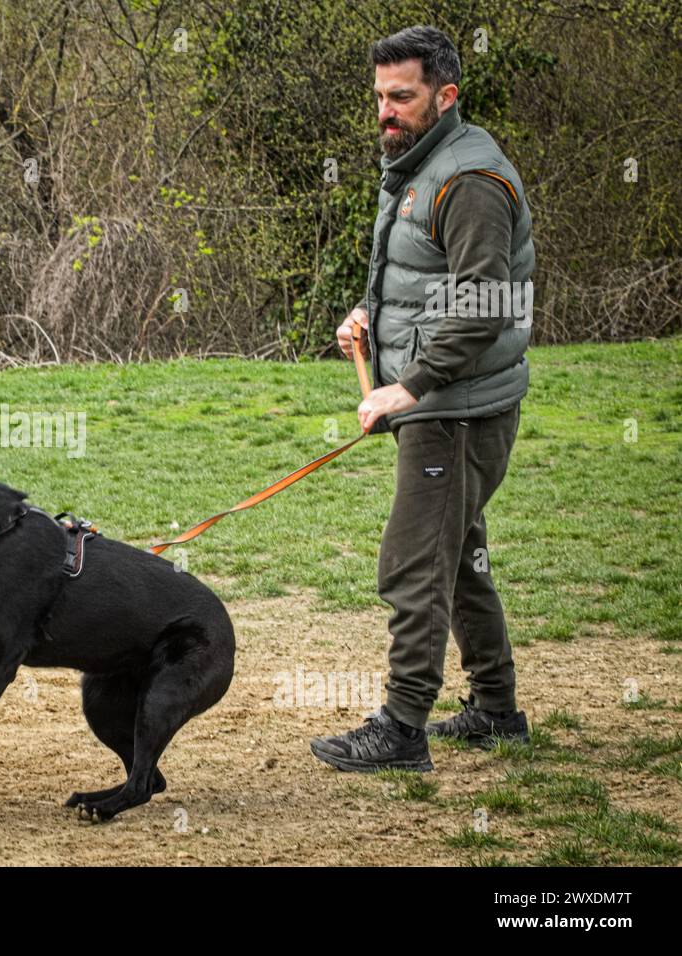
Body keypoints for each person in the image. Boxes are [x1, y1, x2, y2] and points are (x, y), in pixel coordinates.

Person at [311, 26, 533, 772]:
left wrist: (408, 385)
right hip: (442, 401)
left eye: (401, 97)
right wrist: (371, 319)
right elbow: (427, 281)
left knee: (413, 566)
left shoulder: (468, 179)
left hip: (458, 411)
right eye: (379, 97)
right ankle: (497, 711)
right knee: (458, 557)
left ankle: (402, 730)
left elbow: (483, 306)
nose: (385, 111)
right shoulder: (422, 162)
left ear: (446, 95)